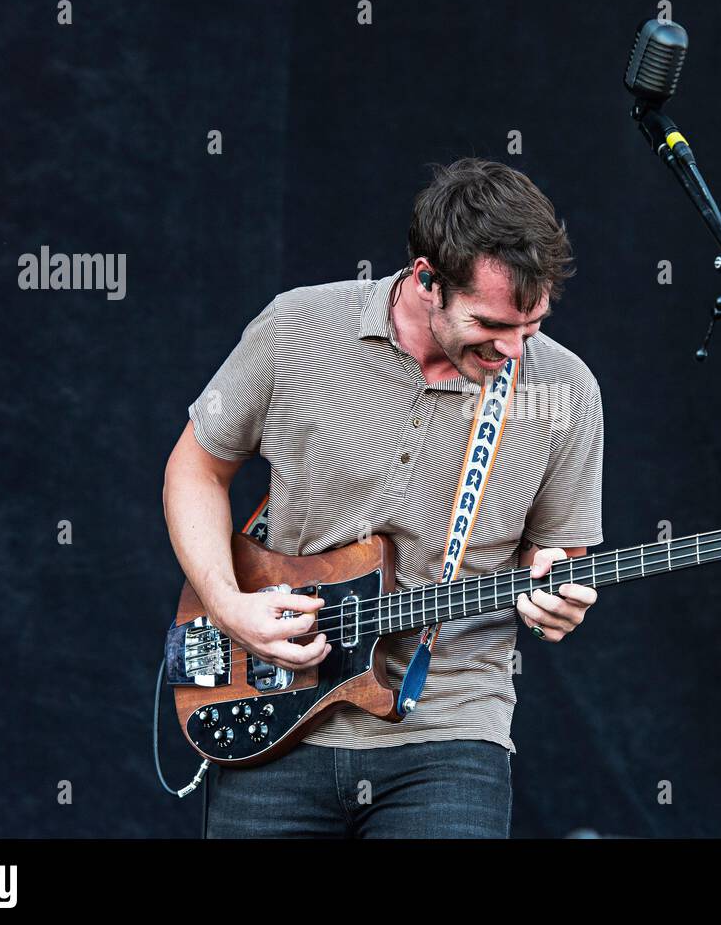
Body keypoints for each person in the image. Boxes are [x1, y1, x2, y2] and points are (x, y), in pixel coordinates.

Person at [162, 157, 604, 837]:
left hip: (451, 731)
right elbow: (196, 468)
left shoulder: (567, 390)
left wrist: (558, 602)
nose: (515, 350)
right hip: (277, 708)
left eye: (532, 325)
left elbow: (558, 555)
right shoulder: (297, 328)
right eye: (491, 325)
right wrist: (228, 605)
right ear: (428, 279)